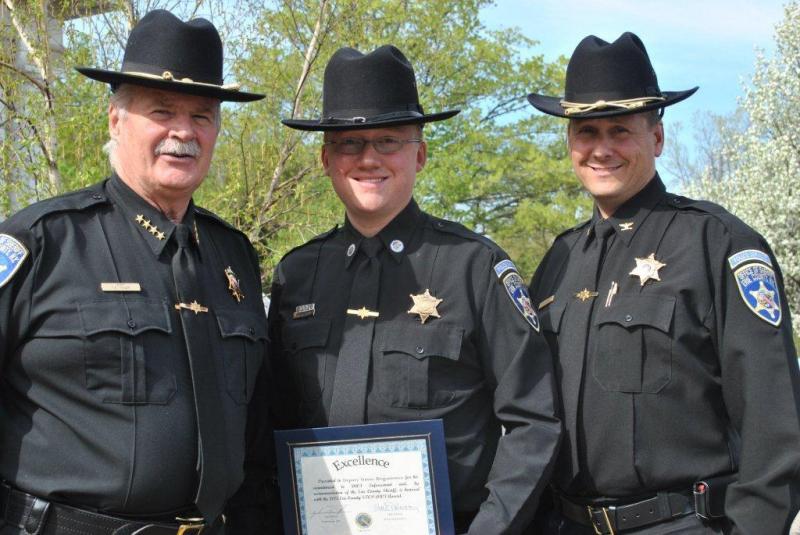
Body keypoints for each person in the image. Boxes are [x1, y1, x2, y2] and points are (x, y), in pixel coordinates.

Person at [0, 10, 278, 534]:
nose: (183, 132)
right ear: (116, 120)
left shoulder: (232, 255)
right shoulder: (42, 242)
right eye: (162, 110)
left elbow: (256, 429)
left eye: (202, 116)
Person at [270, 45, 561, 535]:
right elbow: (269, 422)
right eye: (349, 143)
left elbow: (535, 421)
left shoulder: (475, 267)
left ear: (420, 154)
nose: (368, 159)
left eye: (388, 141)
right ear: (325, 160)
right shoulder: (297, 275)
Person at [526, 32, 800, 534]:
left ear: (657, 138)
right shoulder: (559, 260)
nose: (601, 149)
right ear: (569, 143)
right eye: (586, 132)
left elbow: (774, 424)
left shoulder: (717, 245)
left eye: (620, 130)